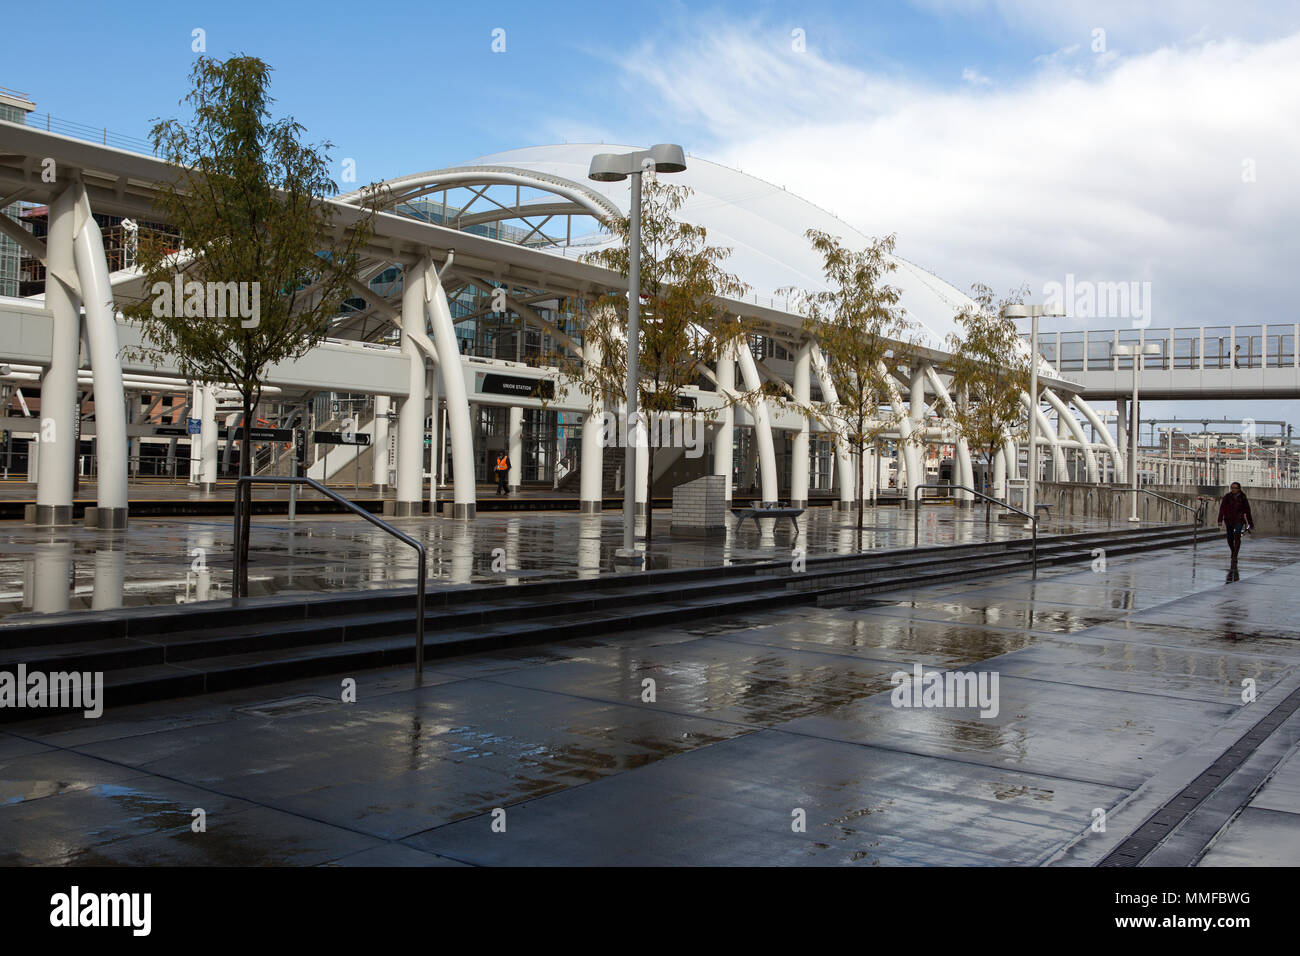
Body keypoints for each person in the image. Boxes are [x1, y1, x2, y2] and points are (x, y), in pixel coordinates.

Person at [1216, 481, 1254, 565]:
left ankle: (1235, 555)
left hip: (1239, 519)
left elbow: (1247, 510)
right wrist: (1220, 519)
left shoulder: (1243, 497)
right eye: (1232, 488)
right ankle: (1233, 551)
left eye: (1235, 488)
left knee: (1237, 535)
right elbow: (1222, 508)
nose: (1233, 489)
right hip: (1229, 519)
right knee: (1230, 538)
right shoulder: (1227, 497)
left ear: (1239, 489)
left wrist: (1250, 523)